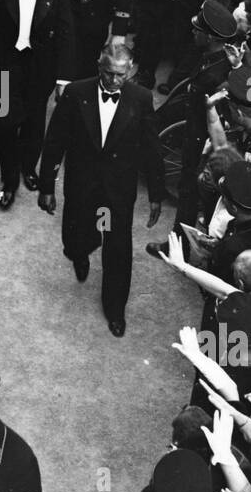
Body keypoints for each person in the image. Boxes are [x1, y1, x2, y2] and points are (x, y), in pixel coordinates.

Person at [38, 40, 164, 337]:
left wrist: (156, 195)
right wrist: (47, 186)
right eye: (109, 74)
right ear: (99, 68)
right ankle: (80, 253)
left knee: (117, 248)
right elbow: (55, 140)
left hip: (118, 190)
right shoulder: (76, 93)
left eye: (121, 75)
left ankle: (115, 308)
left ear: (130, 71)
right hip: (82, 185)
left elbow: (151, 149)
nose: (114, 81)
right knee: (78, 236)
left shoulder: (141, 98)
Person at [0, 0, 74, 208]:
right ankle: (9, 179)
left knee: (35, 122)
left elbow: (65, 34)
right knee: (4, 123)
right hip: (5, 63)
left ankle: (28, 167)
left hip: (40, 66)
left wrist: (63, 78)